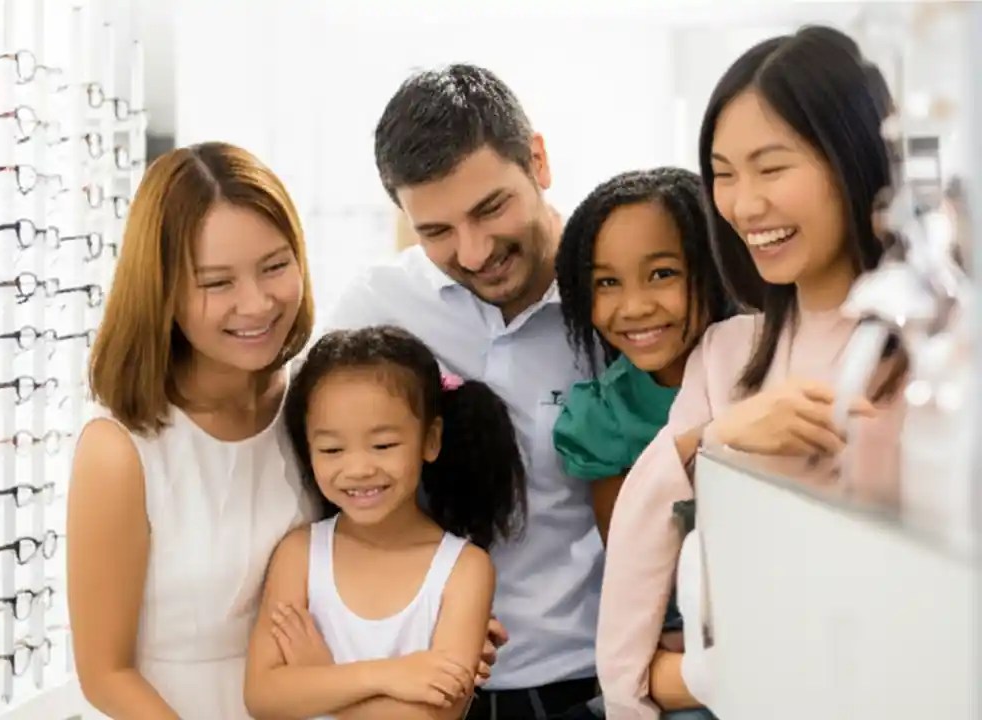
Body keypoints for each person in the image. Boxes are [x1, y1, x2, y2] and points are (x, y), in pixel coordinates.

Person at [596, 26, 907, 719]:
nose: (743, 204)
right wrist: (629, 693)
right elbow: (647, 516)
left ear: (852, 160)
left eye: (771, 167)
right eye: (724, 173)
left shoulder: (927, 352)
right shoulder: (730, 353)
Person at [326, 63, 603, 719]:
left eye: (491, 209)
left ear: (537, 159)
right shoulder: (375, 308)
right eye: (437, 232)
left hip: (591, 682)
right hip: (415, 689)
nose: (474, 253)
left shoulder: (619, 299)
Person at [65, 141, 318, 720]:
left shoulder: (315, 400)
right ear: (162, 290)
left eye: (275, 266)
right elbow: (104, 673)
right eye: (216, 282)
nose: (256, 304)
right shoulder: (119, 450)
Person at [244, 325, 528, 719]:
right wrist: (389, 676)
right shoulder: (300, 554)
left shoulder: (464, 570)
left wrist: (321, 675)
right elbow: (263, 695)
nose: (358, 469)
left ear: (430, 440)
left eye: (383, 445)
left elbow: (432, 717)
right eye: (332, 449)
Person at [553, 167, 737, 543]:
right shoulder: (603, 415)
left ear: (717, 266)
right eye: (607, 282)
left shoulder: (769, 362)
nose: (633, 307)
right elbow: (630, 555)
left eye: (661, 274)